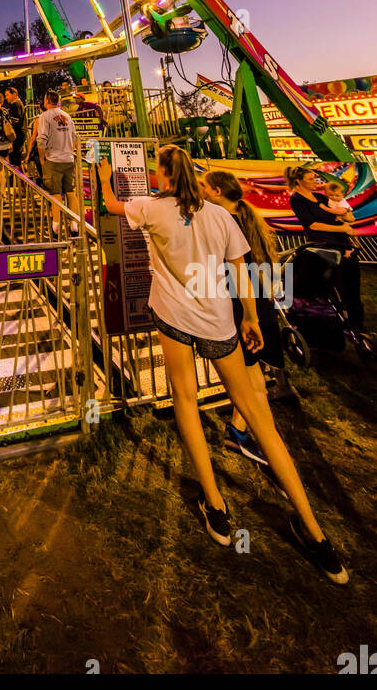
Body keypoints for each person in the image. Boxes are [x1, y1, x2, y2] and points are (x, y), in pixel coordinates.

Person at [98, 144, 348, 584]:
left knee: (186, 401)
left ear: (164, 175)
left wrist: (102, 175)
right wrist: (250, 318)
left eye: (157, 170)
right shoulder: (221, 216)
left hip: (173, 320)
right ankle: (316, 533)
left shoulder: (151, 210)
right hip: (220, 324)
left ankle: (214, 504)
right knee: (259, 417)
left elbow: (111, 205)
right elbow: (240, 271)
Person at [201, 170, 285, 467]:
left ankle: (256, 438)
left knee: (250, 379)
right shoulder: (246, 218)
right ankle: (241, 431)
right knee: (253, 377)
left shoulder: (223, 222)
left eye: (204, 187)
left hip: (240, 303)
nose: (200, 191)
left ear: (217, 191)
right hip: (257, 299)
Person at [285, 165, 363, 329]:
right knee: (328, 289)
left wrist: (347, 215)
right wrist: (341, 228)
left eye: (315, 178)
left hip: (342, 244)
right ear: (298, 182)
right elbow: (313, 225)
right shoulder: (297, 199)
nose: (315, 181)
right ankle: (330, 326)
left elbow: (342, 214)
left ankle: (357, 327)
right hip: (323, 248)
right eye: (310, 179)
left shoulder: (320, 197)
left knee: (352, 289)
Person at [36, 89, 79, 237]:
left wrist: (42, 159)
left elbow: (41, 140)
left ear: (47, 101)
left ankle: (55, 229)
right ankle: (74, 226)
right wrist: (69, 151)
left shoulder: (45, 116)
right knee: (70, 192)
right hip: (68, 158)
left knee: (55, 194)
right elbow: (74, 138)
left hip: (53, 159)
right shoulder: (67, 116)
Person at [2, 84, 26, 169]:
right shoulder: (19, 103)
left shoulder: (15, 104)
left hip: (17, 135)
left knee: (15, 161)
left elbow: (15, 120)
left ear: (14, 94)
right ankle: (21, 180)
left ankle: (21, 180)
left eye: (7, 95)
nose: (6, 98)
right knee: (17, 161)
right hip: (20, 134)